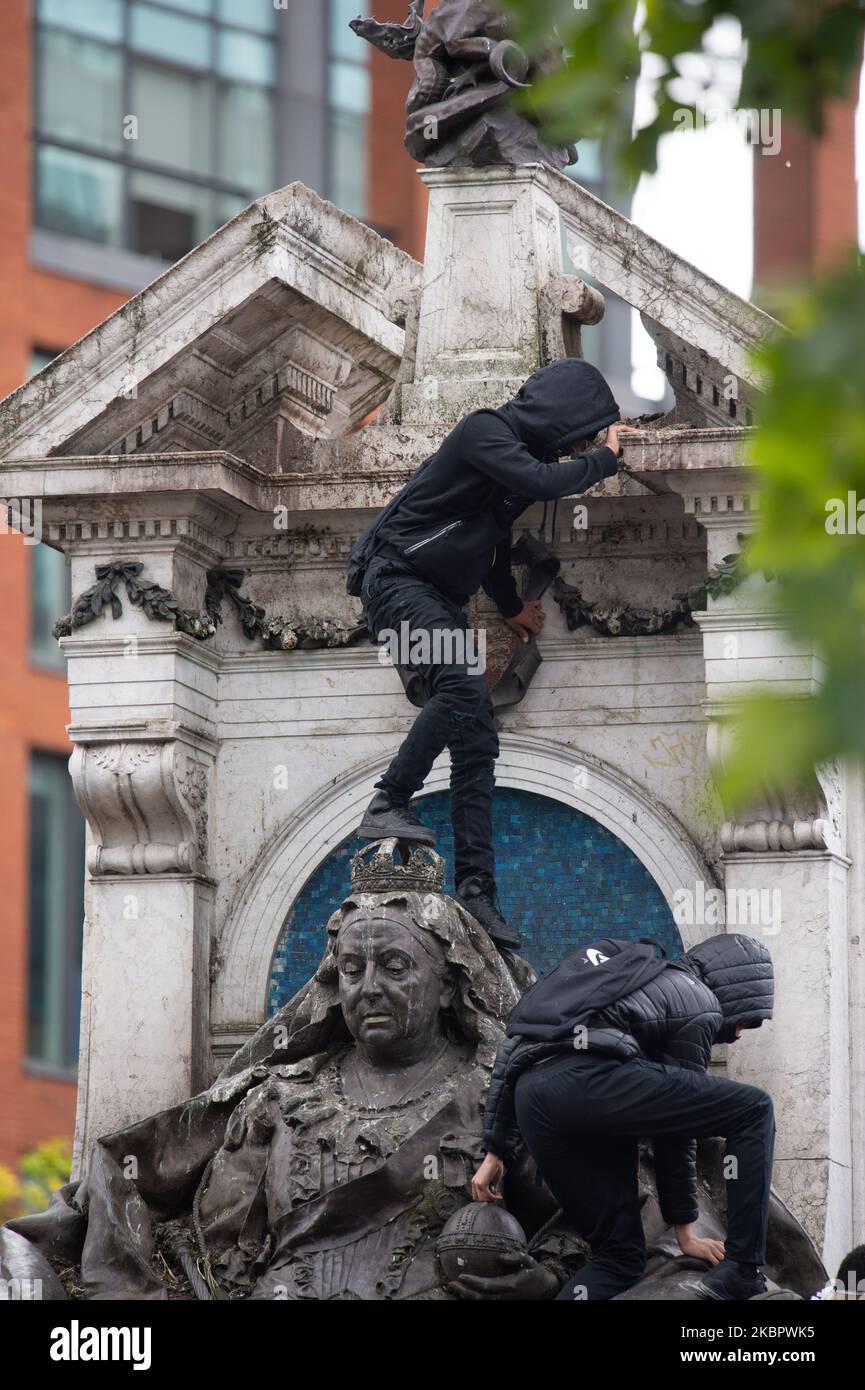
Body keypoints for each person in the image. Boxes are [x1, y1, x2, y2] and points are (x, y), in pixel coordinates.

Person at [348, 358, 637, 950]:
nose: (577, 447)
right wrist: (604, 459)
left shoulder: (505, 474)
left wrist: (508, 607)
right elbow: (542, 482)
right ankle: (388, 801)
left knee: (477, 737)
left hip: (436, 599)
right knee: (461, 685)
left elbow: (494, 546)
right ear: (561, 416)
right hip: (397, 583)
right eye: (580, 433)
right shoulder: (485, 431)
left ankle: (477, 895)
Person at [473, 932, 778, 1302]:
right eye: (749, 1019)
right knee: (753, 1108)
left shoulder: (616, 980)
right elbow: (677, 1133)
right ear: (735, 985)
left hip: (535, 1103)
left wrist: (495, 1151)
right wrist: (686, 1235)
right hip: (590, 1084)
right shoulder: (699, 1000)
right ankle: (743, 1269)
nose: (740, 1032)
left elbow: (512, 1050)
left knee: (619, 1258)